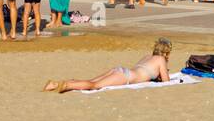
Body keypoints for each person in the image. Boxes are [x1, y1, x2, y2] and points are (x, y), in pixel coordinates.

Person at [44, 38, 173, 93]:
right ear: (166, 52)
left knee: (90, 81)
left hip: (121, 71)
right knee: (93, 86)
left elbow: (146, 72)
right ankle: (67, 85)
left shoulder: (147, 56)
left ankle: (54, 84)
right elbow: (166, 81)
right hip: (125, 76)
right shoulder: (161, 59)